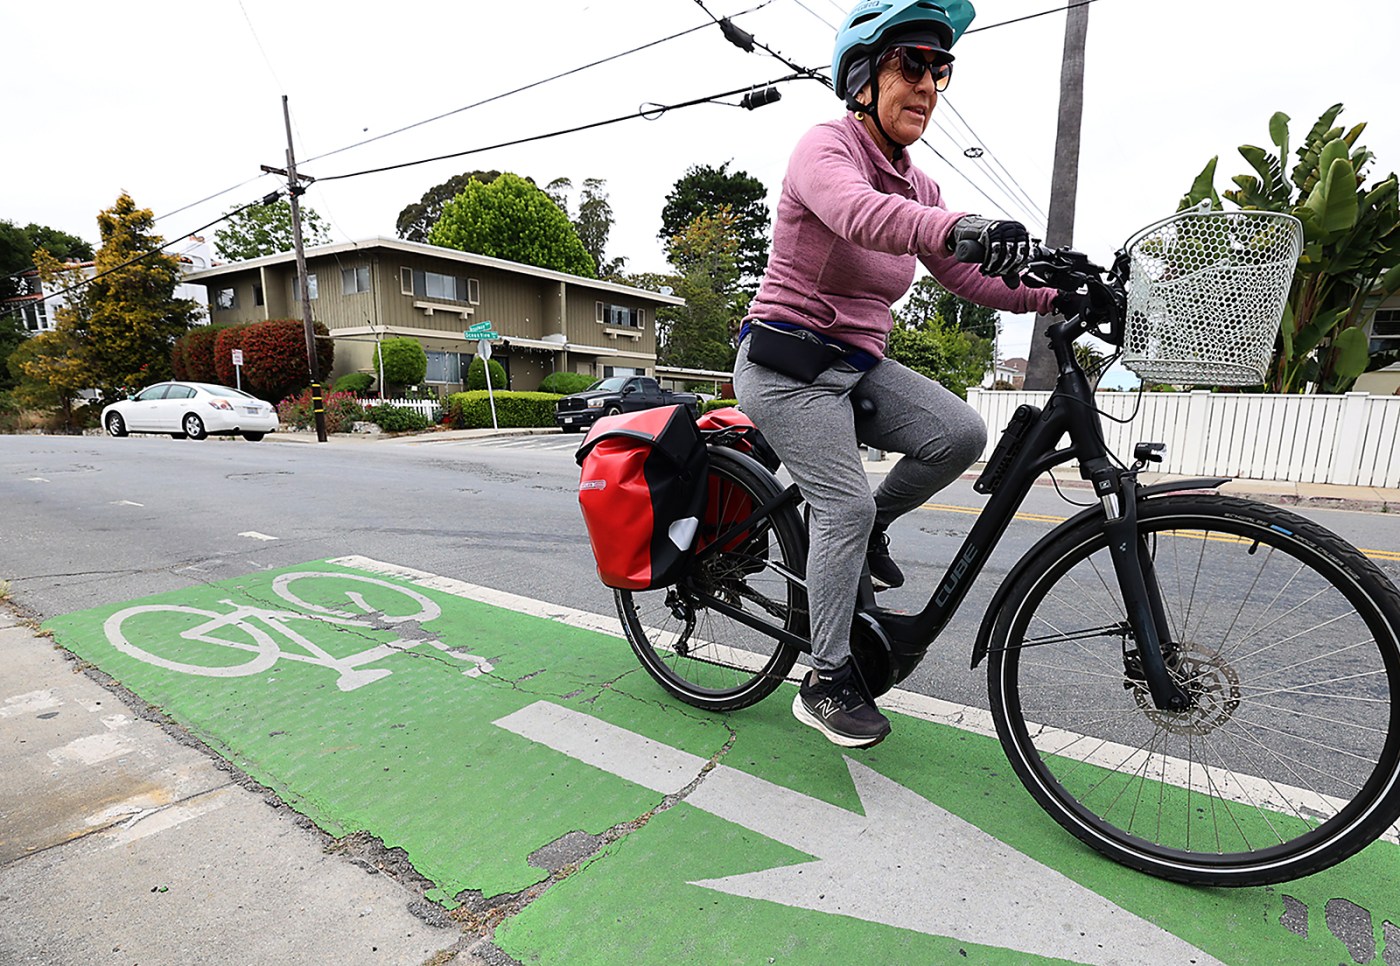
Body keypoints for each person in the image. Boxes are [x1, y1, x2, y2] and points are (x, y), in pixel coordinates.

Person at [732, 0, 1068, 749]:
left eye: (939, 69)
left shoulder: (922, 188)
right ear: (862, 76)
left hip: (855, 367)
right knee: (841, 509)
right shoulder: (825, 149)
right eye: (910, 64)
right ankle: (823, 678)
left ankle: (871, 524)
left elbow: (969, 278)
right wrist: (959, 226)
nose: (927, 84)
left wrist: (1059, 289)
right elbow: (857, 215)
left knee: (958, 434)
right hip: (784, 364)